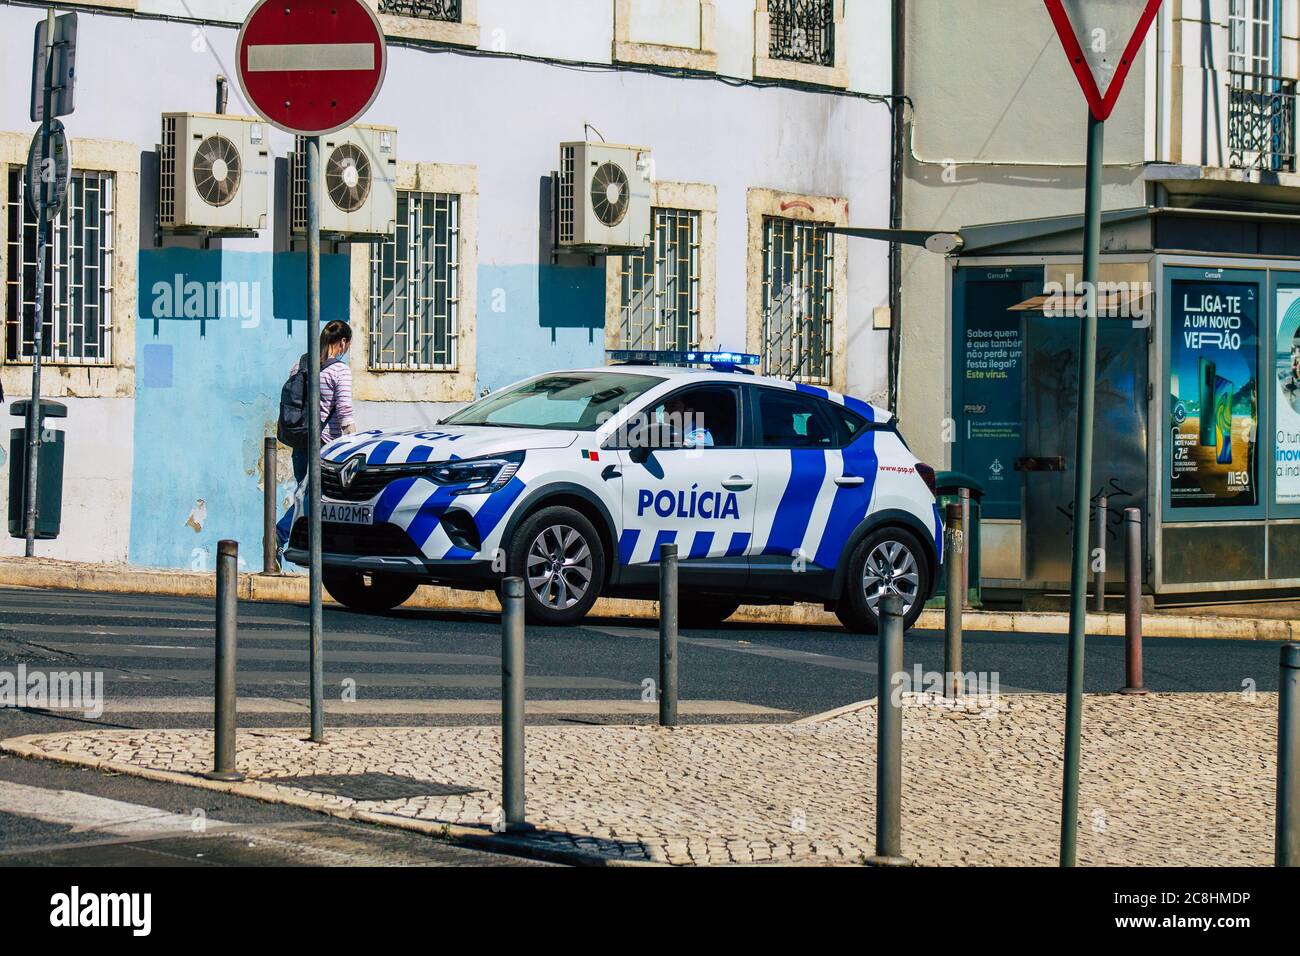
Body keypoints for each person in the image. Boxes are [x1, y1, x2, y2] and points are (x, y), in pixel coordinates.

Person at [275, 321, 356, 549]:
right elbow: (345, 415)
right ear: (342, 342)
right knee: (310, 499)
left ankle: (305, 549)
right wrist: (353, 445)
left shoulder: (299, 364)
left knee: (307, 496)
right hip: (325, 447)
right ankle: (279, 536)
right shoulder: (340, 371)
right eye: (347, 345)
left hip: (300, 442)